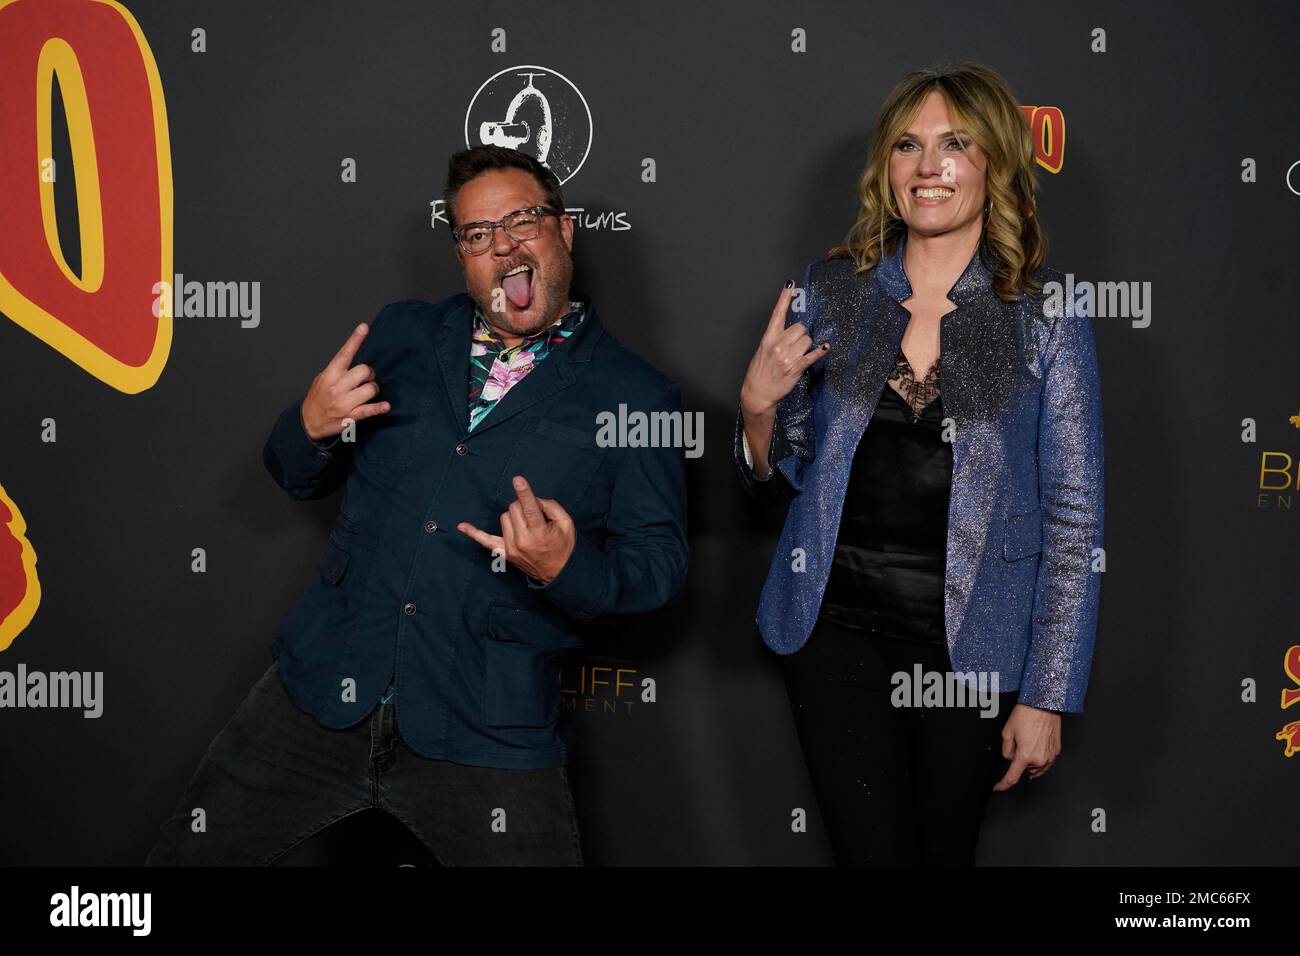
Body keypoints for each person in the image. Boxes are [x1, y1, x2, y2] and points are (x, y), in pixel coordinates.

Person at [146, 144, 688, 866]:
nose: (502, 246)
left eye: (522, 221)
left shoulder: (637, 395)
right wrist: (309, 426)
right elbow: (294, 474)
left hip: (488, 727)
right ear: (463, 256)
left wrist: (567, 567)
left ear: (565, 231)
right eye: (476, 234)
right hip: (319, 692)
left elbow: (658, 568)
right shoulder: (399, 335)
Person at [734, 62, 1104, 865]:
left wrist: (1047, 694)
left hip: (972, 645)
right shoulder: (830, 292)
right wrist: (759, 409)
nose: (928, 165)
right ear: (886, 169)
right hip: (835, 639)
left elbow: (1075, 523)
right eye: (908, 145)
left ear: (994, 164)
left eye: (955, 144)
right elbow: (781, 471)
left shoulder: (1043, 318)